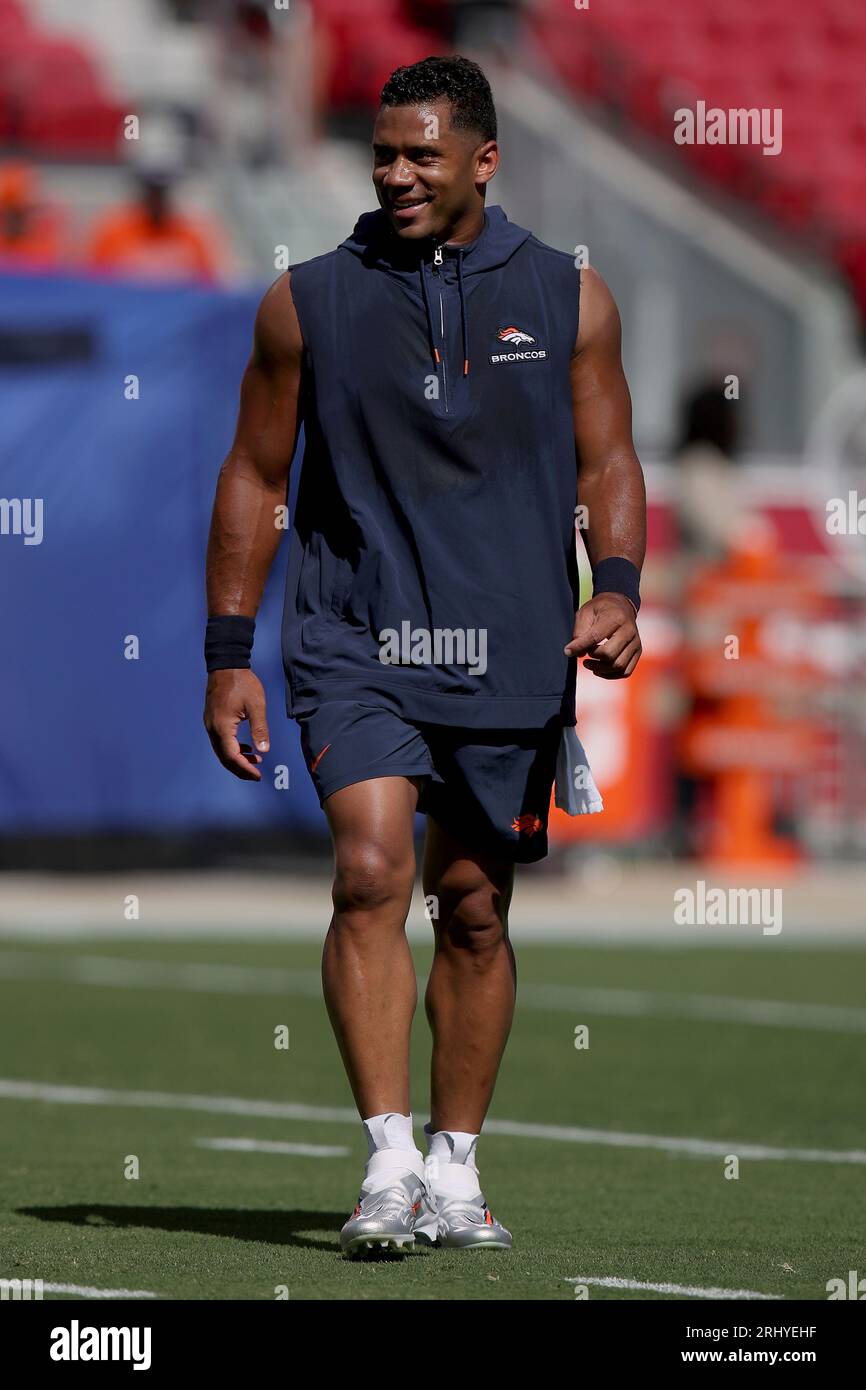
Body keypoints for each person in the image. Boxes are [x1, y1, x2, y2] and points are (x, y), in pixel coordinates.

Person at [203, 55, 645, 1255]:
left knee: (472, 913)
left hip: (508, 643)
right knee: (367, 869)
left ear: (483, 162)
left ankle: (456, 1169)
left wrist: (615, 589)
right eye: (382, 154)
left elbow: (607, 460)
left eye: (421, 156)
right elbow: (253, 473)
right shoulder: (306, 301)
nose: (395, 172)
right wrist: (227, 651)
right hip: (355, 638)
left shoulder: (569, 298)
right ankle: (387, 1159)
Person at [86, 171, 222, 283]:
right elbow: (96, 284)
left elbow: (208, 286)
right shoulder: (113, 233)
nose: (156, 201)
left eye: (161, 193)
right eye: (152, 193)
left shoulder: (192, 237)